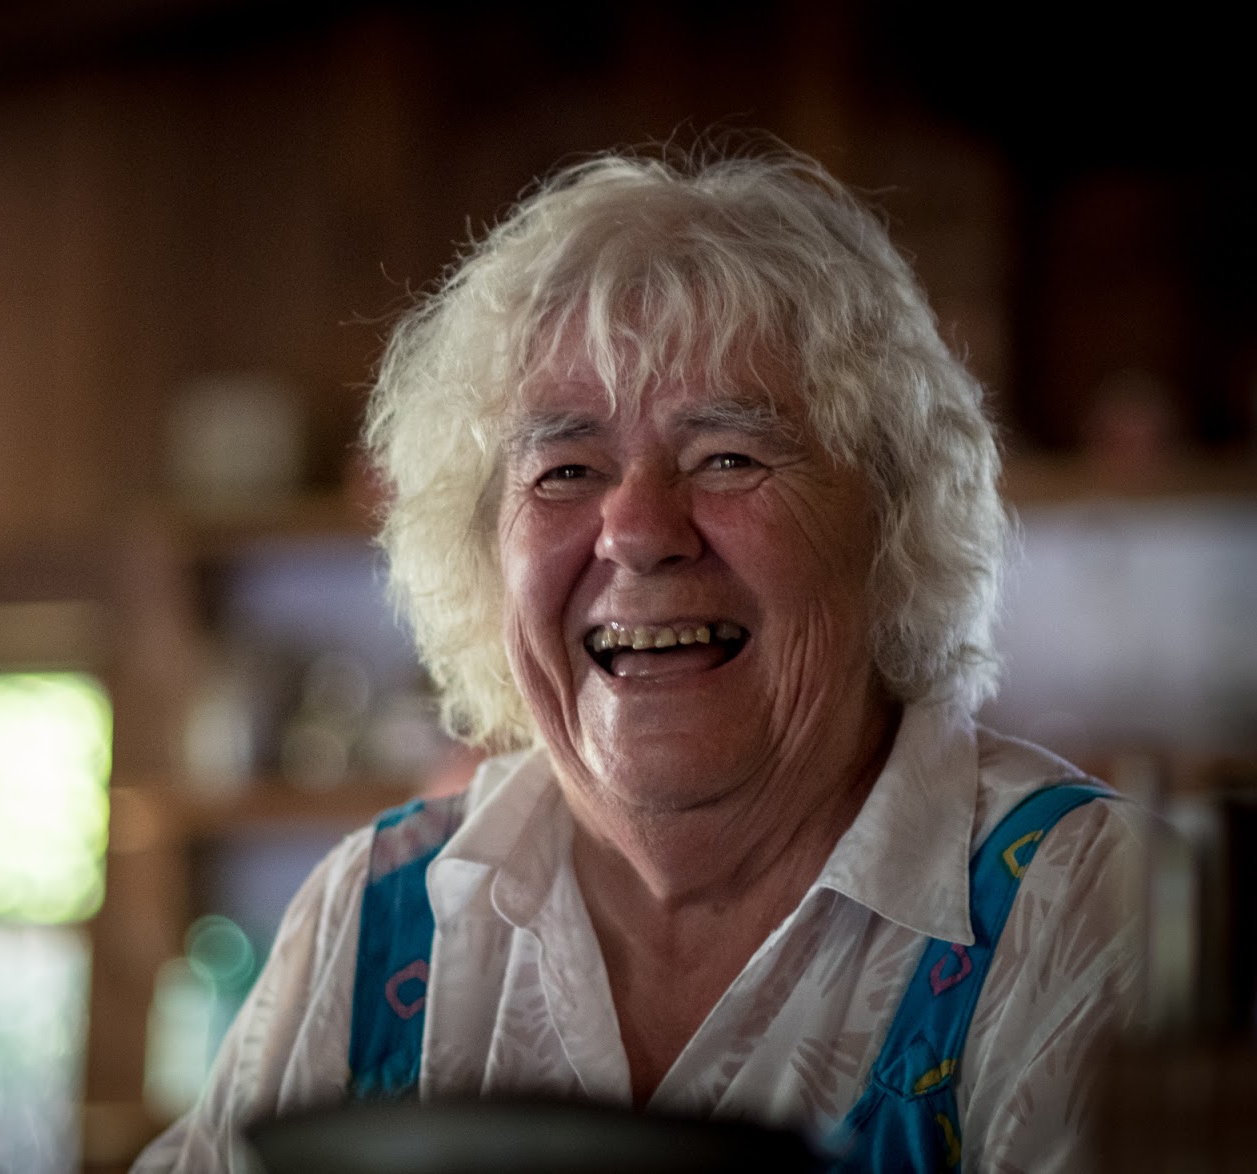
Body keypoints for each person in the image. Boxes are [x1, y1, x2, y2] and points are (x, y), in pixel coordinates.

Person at [134, 148, 1145, 1173]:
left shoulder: (1080, 904)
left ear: (890, 523)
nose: (637, 531)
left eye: (729, 457)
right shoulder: (371, 917)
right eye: (566, 470)